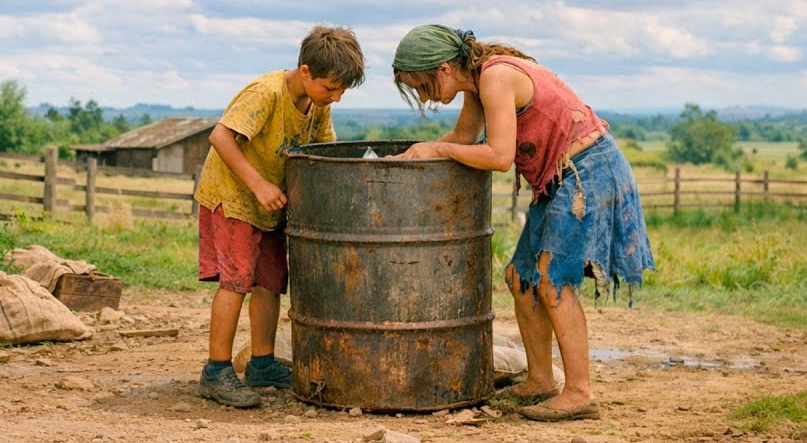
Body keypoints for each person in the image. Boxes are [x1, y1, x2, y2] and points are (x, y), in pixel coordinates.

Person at [391, 24, 654, 422]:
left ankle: (580, 393)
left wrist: (437, 150)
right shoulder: (477, 85)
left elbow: (499, 157)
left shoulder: (495, 77)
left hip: (588, 171)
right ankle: (541, 380)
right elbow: (464, 136)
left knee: (551, 279)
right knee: (521, 277)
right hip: (558, 178)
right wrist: (412, 156)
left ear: (443, 68)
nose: (424, 97)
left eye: (422, 85)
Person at [194, 26, 366, 408]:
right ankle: (216, 371)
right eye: (330, 88)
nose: (336, 98)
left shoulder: (317, 104)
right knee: (236, 281)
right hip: (235, 196)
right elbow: (220, 137)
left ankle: (262, 363)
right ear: (305, 71)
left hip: (271, 202)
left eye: (341, 91)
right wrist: (258, 184)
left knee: (270, 281)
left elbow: (322, 149)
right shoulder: (266, 93)